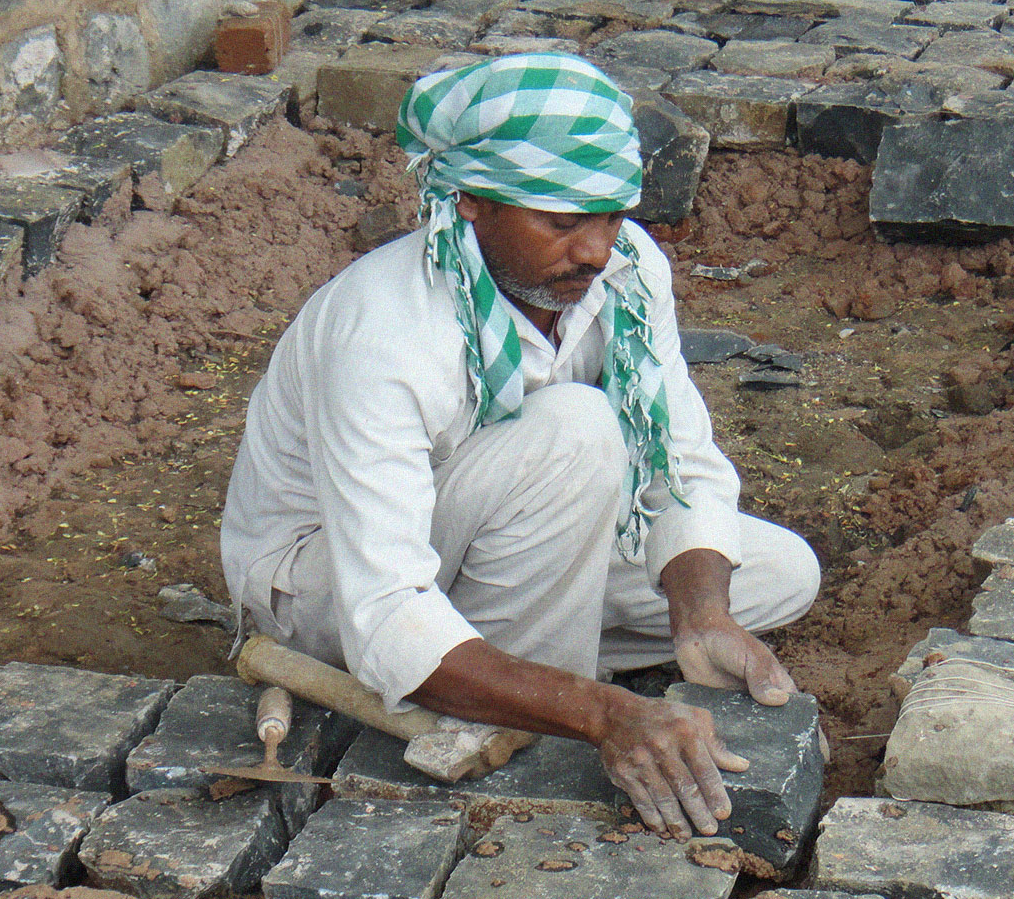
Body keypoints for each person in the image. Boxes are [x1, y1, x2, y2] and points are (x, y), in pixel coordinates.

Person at [220, 53, 819, 841]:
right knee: (576, 431)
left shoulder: (628, 270)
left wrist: (701, 617)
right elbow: (386, 603)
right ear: (470, 200)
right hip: (326, 580)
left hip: (503, 524)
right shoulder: (386, 332)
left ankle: (497, 668)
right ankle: (523, 702)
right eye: (562, 223)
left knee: (777, 572)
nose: (595, 250)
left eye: (611, 216)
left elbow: (681, 460)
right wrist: (601, 713)